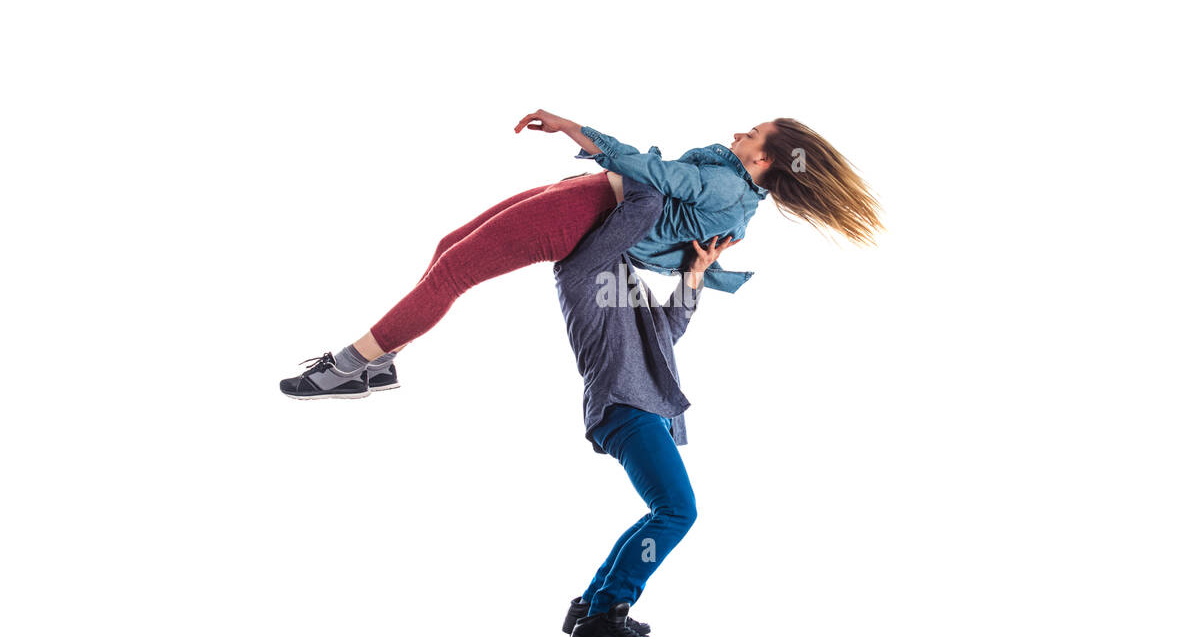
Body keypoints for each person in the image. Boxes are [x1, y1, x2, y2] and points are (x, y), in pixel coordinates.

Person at [279, 110, 882, 399]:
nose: (736, 134)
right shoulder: (732, 177)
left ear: (764, 161)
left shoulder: (728, 187)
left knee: (453, 274)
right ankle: (383, 361)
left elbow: (650, 171)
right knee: (447, 249)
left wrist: (575, 128)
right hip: (585, 194)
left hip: (583, 213)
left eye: (750, 136)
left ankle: (347, 365)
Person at [552, 171, 737, 637]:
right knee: (677, 512)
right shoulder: (582, 267)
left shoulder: (618, 275)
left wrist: (694, 273)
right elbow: (639, 208)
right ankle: (604, 614)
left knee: (664, 512)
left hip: (640, 408)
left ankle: (594, 604)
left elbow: (666, 331)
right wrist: (632, 171)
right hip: (624, 406)